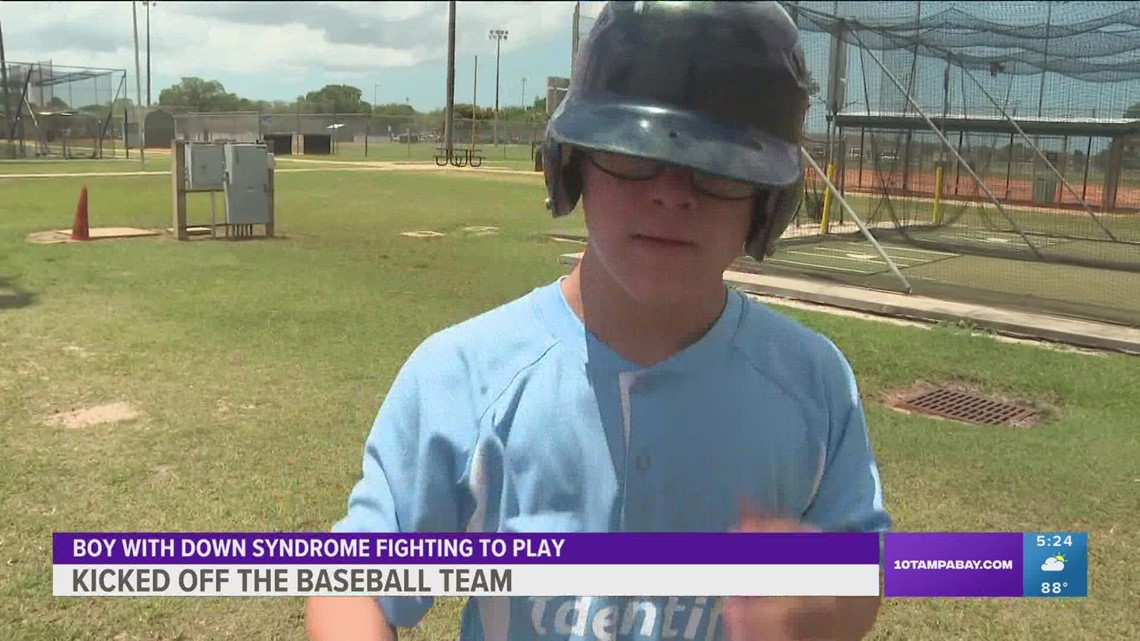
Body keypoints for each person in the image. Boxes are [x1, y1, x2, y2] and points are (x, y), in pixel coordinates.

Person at [306, 2, 891, 640]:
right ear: (574, 162)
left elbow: (862, 579)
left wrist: (821, 601)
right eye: (633, 154)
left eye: (718, 167)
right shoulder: (463, 375)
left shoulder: (812, 384)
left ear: (766, 199)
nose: (672, 193)